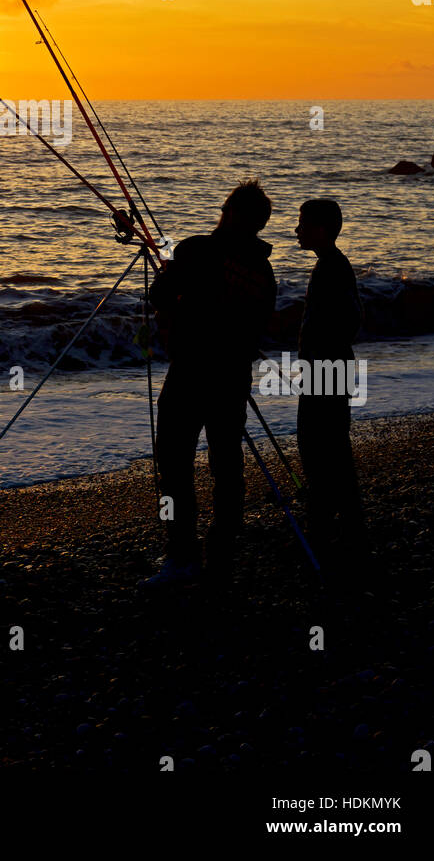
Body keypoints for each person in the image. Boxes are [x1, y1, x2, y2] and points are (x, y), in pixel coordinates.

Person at [142, 179, 277, 588]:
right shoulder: (263, 270)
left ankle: (182, 557)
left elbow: (159, 296)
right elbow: (259, 325)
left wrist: (170, 276)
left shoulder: (196, 248)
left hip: (190, 374)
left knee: (175, 465)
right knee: (227, 465)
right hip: (233, 376)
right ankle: (221, 554)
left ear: (229, 211)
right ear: (261, 224)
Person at [294, 197, 366, 566]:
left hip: (326, 369)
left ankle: (324, 523)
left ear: (320, 230)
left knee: (317, 443)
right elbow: (352, 318)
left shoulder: (329, 269)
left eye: (302, 223)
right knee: (332, 445)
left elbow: (330, 323)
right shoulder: (335, 265)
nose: (297, 229)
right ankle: (345, 523)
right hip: (335, 366)